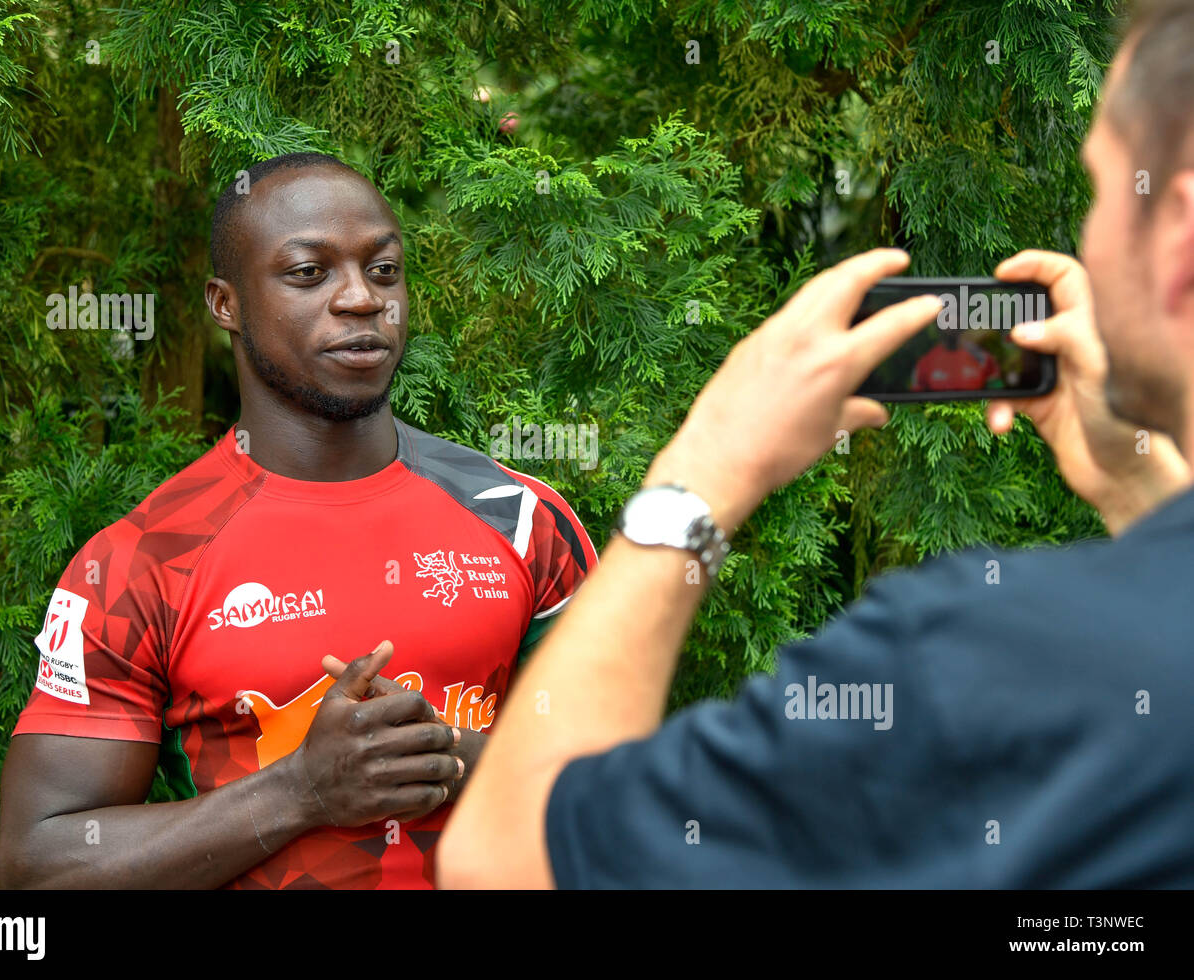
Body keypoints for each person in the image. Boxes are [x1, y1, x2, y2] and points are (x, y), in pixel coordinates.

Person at [435, 0, 1194, 888]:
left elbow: (505, 853)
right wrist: (1139, 495)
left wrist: (705, 466)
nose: (1090, 236)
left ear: (1177, 234)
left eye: (1102, 192)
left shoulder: (978, 658)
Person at [0, 153, 597, 889]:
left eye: (383, 270)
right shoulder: (142, 561)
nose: (361, 299)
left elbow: (620, 783)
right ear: (226, 303)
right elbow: (38, 867)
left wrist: (448, 756)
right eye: (310, 273)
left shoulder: (523, 519)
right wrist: (300, 791)